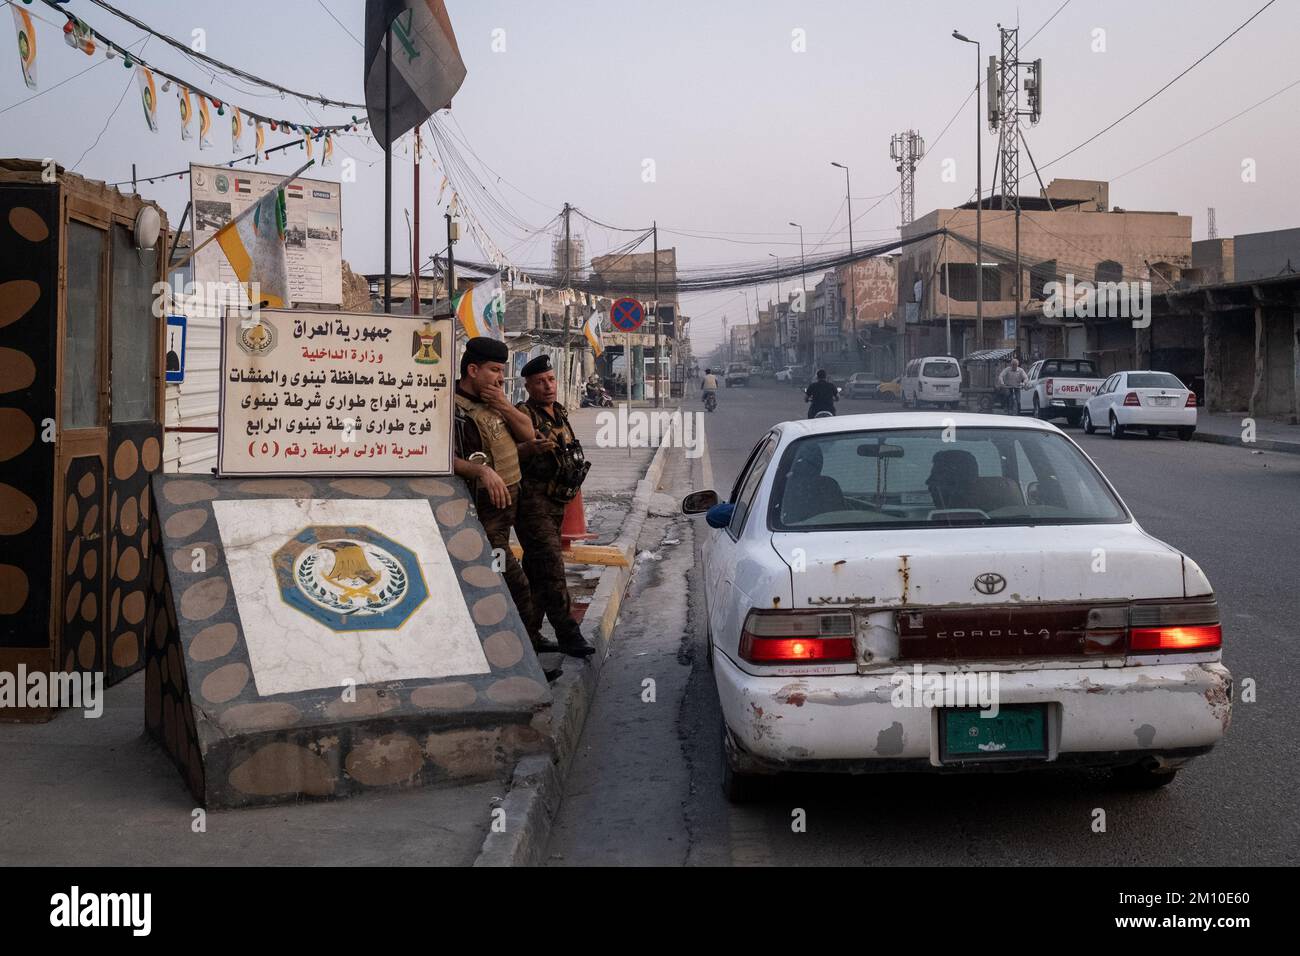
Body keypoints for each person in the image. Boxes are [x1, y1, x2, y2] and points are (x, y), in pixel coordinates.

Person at [452, 337, 554, 654]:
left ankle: (527, 648)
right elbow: (441, 457)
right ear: (472, 369)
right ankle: (518, 659)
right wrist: (481, 471)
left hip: (509, 510)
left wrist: (504, 404)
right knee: (512, 585)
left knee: (522, 580)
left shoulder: (494, 402)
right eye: (495, 370)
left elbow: (526, 432)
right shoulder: (452, 407)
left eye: (502, 371)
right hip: (485, 517)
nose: (500, 378)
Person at [513, 354, 596, 658]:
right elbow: (509, 454)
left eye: (550, 379)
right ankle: (568, 633)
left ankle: (527, 635)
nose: (547, 386)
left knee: (537, 573)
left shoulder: (559, 412)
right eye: (539, 382)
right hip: (532, 503)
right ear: (528, 386)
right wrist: (527, 449)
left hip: (556, 501)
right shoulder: (524, 415)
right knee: (551, 567)